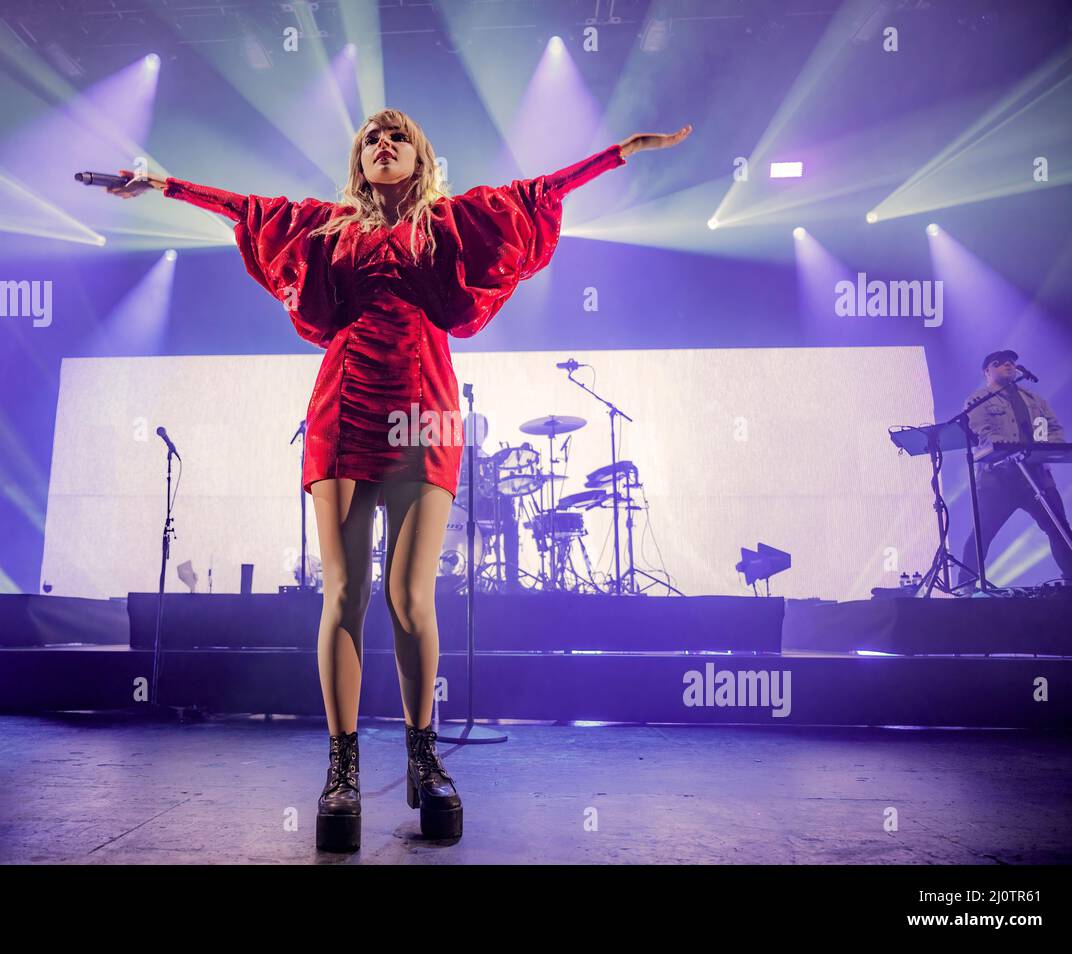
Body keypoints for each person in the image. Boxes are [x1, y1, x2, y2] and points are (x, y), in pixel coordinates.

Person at [106, 108, 692, 850]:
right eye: (370, 141)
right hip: (344, 406)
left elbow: (536, 191)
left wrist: (615, 154)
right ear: (359, 164)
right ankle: (342, 771)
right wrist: (161, 184)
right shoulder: (326, 227)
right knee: (345, 593)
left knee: (410, 596)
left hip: (423, 413)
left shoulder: (452, 222)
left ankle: (424, 756)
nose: (383, 146)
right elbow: (247, 208)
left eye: (398, 138)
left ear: (420, 156)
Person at [959, 350, 1072, 588]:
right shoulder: (978, 400)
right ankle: (965, 586)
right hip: (997, 479)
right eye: (1000, 363)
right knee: (981, 535)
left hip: (1037, 477)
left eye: (1012, 362)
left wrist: (1048, 450)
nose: (1009, 365)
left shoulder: (1035, 400)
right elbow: (983, 431)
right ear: (987, 371)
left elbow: (1052, 428)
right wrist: (1010, 452)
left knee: (1059, 529)